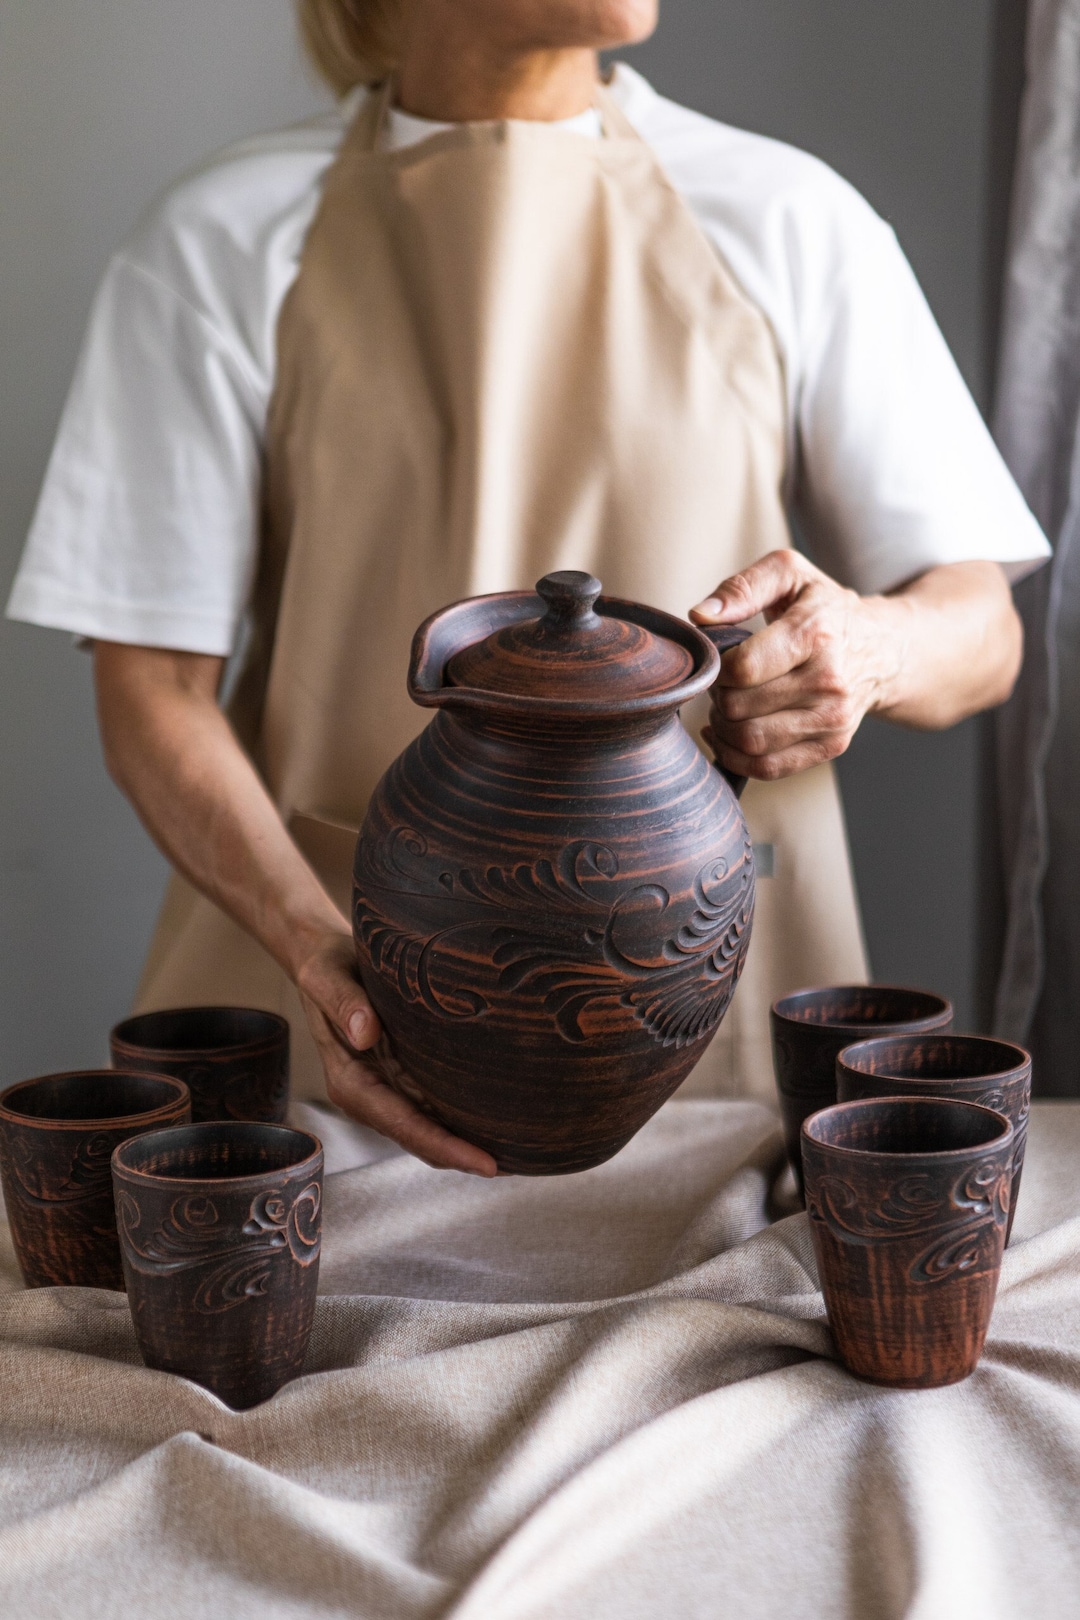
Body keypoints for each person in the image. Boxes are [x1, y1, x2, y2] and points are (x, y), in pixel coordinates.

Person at [8, 0, 1048, 1176]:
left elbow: (983, 629)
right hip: (346, 1071)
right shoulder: (222, 239)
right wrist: (320, 949)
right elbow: (153, 689)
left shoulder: (790, 218)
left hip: (713, 1036)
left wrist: (875, 647)